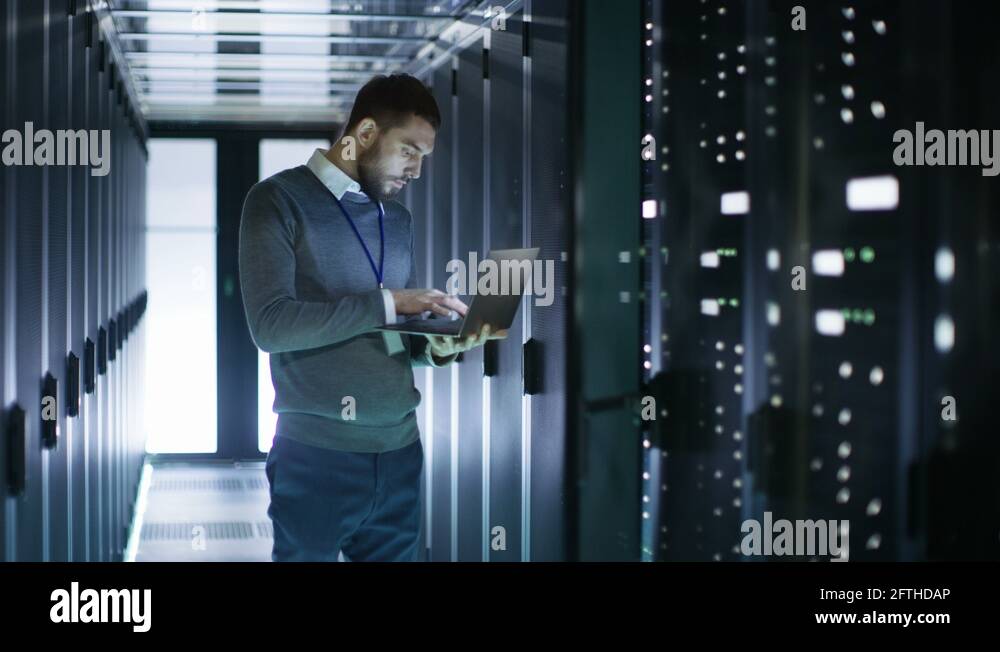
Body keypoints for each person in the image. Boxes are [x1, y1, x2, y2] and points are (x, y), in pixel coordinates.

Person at [238, 73, 503, 561]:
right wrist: (388, 302)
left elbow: (391, 336)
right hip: (316, 455)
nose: (417, 170)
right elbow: (271, 326)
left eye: (424, 155)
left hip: (400, 451)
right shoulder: (277, 201)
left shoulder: (396, 218)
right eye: (409, 150)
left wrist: (437, 347)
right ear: (363, 134)